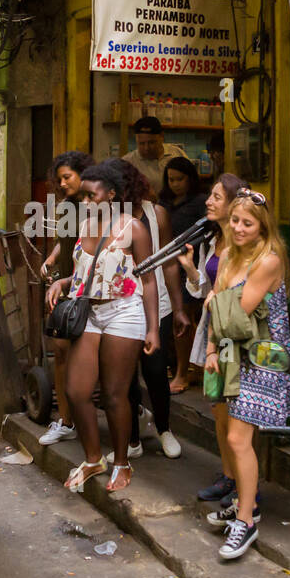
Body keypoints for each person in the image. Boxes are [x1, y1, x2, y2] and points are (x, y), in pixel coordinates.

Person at [45, 162, 158, 493]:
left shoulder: (133, 228)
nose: (86, 201)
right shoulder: (84, 226)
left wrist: (152, 328)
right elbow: (86, 272)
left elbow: (149, 280)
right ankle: (94, 459)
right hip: (90, 312)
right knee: (77, 391)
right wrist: (64, 282)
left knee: (113, 394)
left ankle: (122, 463)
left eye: (91, 195)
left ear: (112, 195)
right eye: (83, 196)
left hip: (125, 312)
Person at [204, 187, 290, 560]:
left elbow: (235, 313)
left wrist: (215, 303)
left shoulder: (269, 261)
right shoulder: (228, 256)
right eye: (235, 221)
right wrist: (211, 348)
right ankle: (247, 504)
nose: (239, 228)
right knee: (230, 433)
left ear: (263, 227)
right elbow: (219, 316)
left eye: (248, 223)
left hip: (260, 359)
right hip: (230, 354)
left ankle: (246, 520)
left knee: (240, 440)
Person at [175, 173, 248, 503]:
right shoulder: (212, 240)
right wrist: (191, 269)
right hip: (213, 331)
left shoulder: (244, 243)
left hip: (234, 334)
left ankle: (245, 488)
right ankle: (228, 476)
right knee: (218, 409)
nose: (208, 201)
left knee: (237, 418)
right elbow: (205, 291)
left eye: (216, 197)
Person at [112, 158, 190, 459]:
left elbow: (170, 264)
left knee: (156, 371)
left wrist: (180, 307)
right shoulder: (106, 219)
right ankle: (132, 439)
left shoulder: (156, 215)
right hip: (120, 307)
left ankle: (163, 428)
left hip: (158, 304)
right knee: (125, 376)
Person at [38, 150, 95, 447]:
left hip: (88, 287)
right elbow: (68, 243)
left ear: (83, 175)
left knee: (79, 353)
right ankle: (66, 419)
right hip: (67, 286)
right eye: (58, 178)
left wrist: (69, 279)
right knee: (60, 350)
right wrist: (52, 257)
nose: (61, 183)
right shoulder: (67, 207)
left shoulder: (95, 208)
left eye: (67, 177)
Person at [161, 157, 208, 393]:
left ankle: (187, 371)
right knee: (176, 323)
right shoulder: (164, 202)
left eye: (180, 179)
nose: (175, 184)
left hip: (192, 266)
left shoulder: (200, 202)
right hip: (168, 267)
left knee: (189, 320)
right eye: (171, 179)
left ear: (190, 179)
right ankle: (181, 369)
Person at [121, 116, 187, 188]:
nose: (146, 148)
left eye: (151, 143)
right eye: (141, 143)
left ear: (161, 136)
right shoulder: (127, 163)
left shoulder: (176, 153)